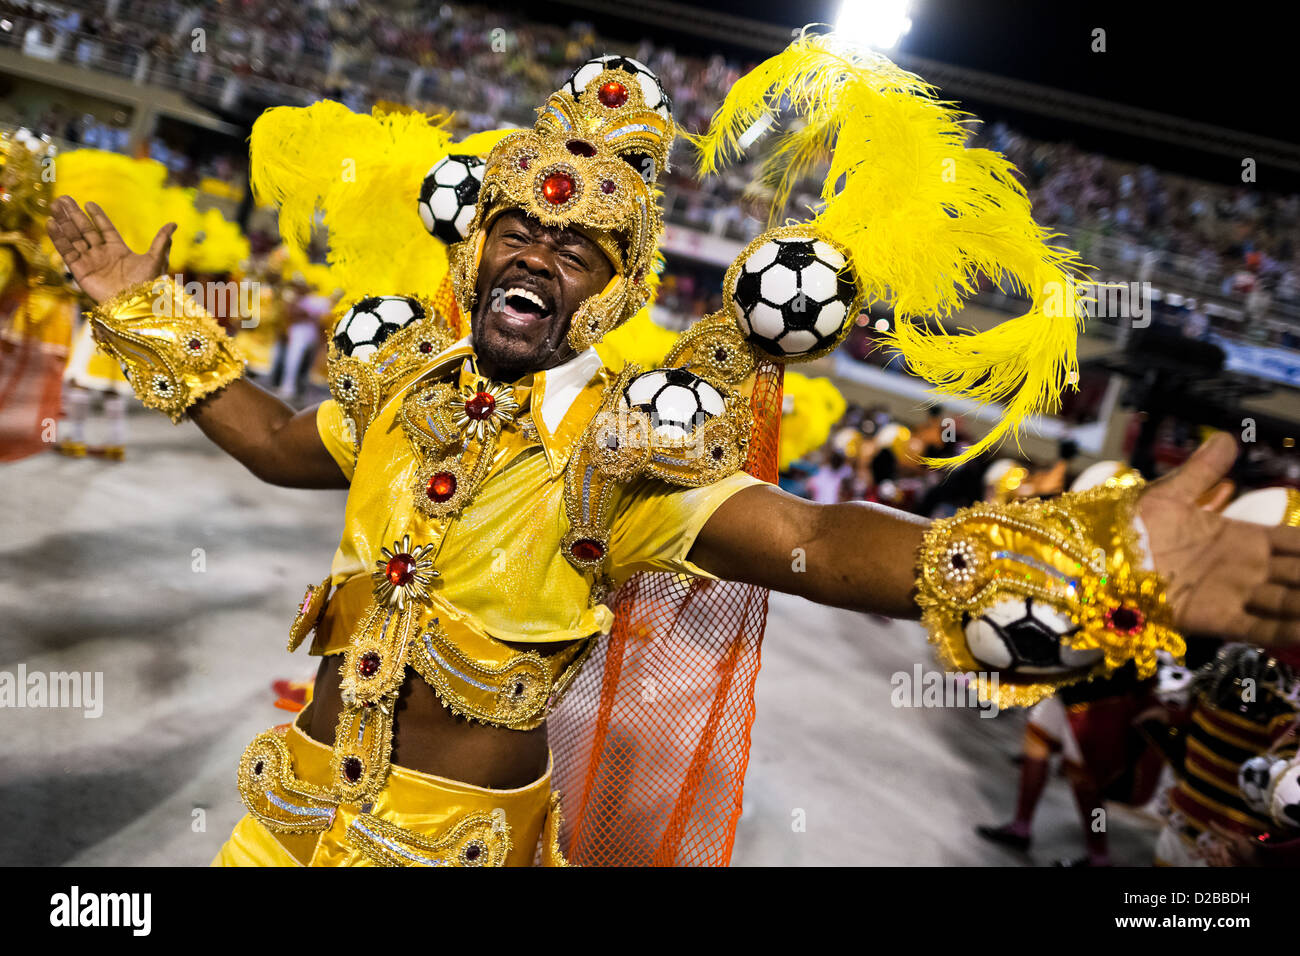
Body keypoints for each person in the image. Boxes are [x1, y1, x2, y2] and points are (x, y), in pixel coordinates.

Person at [46, 37, 1300, 867]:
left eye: (579, 248)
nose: (537, 256)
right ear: (472, 247)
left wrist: (1074, 556)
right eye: (516, 232)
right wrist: (136, 310)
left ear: (619, 284)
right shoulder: (401, 388)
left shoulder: (627, 452)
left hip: (447, 845)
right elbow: (270, 440)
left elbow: (810, 540)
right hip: (286, 806)